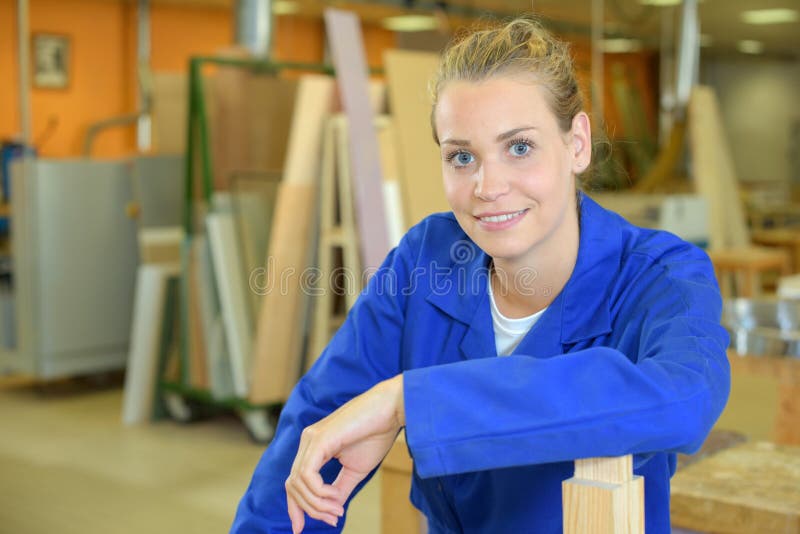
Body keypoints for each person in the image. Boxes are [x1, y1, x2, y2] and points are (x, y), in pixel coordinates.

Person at [232, 16, 730, 534]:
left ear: (576, 143)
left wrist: (411, 400)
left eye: (519, 147)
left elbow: (683, 399)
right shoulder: (427, 259)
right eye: (462, 157)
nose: (487, 186)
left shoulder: (660, 275)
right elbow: (319, 428)